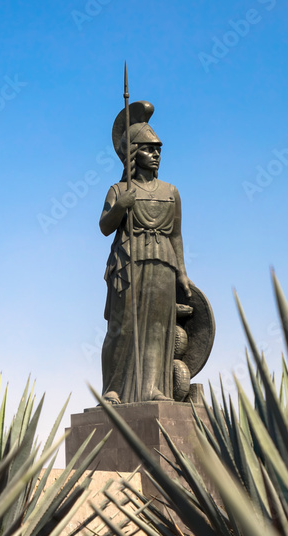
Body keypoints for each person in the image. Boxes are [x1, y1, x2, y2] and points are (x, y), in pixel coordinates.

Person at [100, 101, 194, 404]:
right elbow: (104, 226)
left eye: (159, 150)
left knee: (157, 328)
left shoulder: (171, 192)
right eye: (149, 149)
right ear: (132, 154)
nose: (156, 155)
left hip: (162, 261)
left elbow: (176, 235)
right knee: (122, 325)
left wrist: (182, 272)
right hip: (129, 263)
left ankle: (154, 387)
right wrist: (121, 206)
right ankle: (112, 389)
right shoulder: (118, 189)